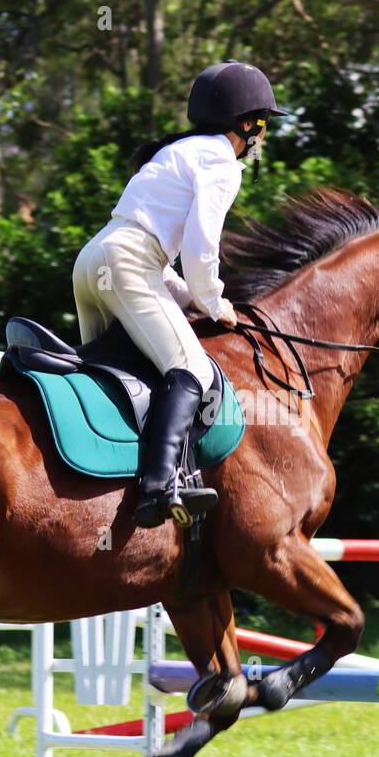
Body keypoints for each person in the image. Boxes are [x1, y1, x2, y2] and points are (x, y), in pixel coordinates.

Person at [71, 61, 287, 528]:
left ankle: (101, 482)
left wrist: (189, 297)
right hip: (129, 263)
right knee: (190, 368)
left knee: (115, 372)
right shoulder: (221, 162)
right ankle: (159, 486)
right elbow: (201, 245)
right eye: (265, 125)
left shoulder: (179, 152)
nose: (264, 137)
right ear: (247, 124)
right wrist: (214, 303)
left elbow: (156, 258)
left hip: (94, 260)